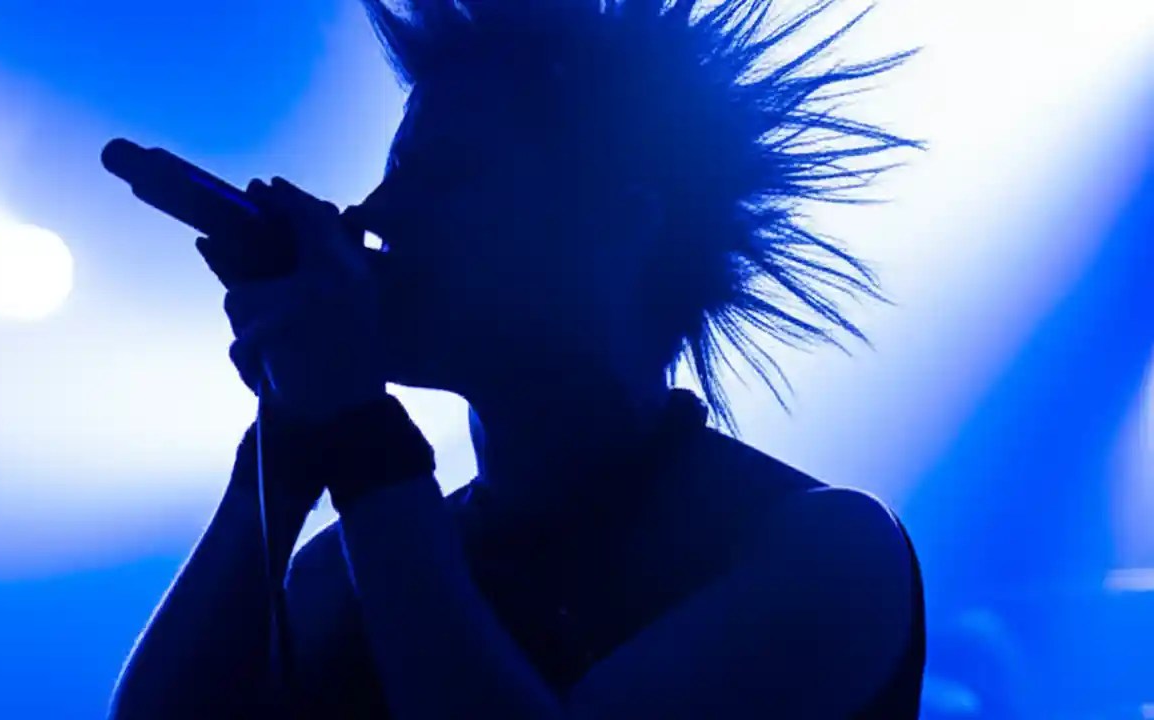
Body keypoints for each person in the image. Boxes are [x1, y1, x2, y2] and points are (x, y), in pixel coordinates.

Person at [108, 0, 926, 717]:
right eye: (393, 175)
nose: (376, 213)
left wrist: (357, 430)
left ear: (614, 228)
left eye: (444, 176)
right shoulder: (345, 568)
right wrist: (289, 439)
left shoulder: (822, 553)